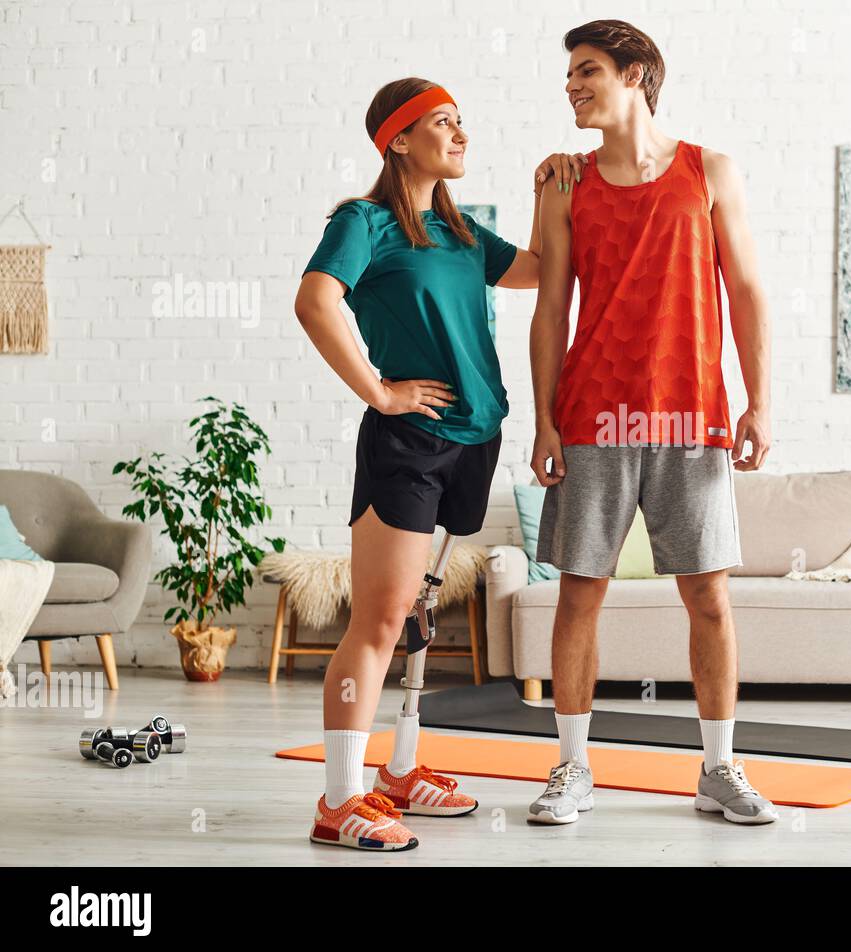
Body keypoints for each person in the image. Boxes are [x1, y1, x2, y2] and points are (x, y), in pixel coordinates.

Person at [295, 76, 581, 850]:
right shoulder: (366, 222)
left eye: (462, 122)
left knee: (417, 616)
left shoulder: (460, 233)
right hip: (410, 444)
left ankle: (400, 772)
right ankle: (338, 800)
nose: (460, 135)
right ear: (397, 139)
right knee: (381, 617)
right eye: (442, 123)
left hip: (475, 438)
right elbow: (315, 301)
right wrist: (380, 392)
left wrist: (550, 187)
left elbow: (543, 267)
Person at [528, 21, 776, 826]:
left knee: (708, 599)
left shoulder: (710, 172)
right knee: (579, 596)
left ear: (635, 74)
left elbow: (744, 291)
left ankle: (719, 768)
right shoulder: (563, 185)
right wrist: (542, 420)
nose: (572, 86)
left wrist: (759, 401)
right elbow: (549, 310)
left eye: (588, 71)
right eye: (568, 75)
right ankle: (571, 769)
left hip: (690, 420)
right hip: (591, 416)